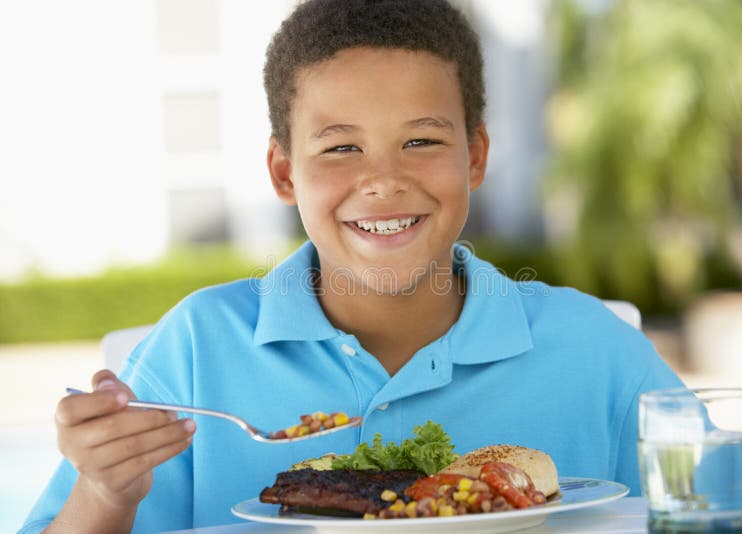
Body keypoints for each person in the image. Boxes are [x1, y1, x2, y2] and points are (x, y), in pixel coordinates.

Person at [21, 0, 686, 532]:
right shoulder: (197, 351)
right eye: (341, 148)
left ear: (476, 157)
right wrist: (107, 491)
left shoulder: (595, 349)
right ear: (284, 172)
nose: (382, 181)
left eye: (421, 141)